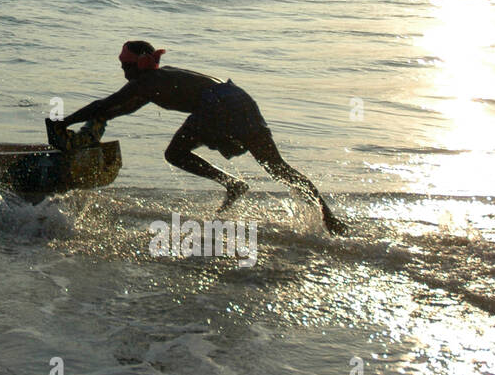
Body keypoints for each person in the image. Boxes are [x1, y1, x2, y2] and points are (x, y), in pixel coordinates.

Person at [51, 40, 346, 234]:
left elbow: (104, 104)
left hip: (217, 107)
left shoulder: (147, 81)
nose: (121, 68)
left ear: (137, 65)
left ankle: (233, 183)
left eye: (124, 64)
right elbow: (116, 110)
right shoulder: (154, 82)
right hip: (239, 98)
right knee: (277, 167)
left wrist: (63, 121)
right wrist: (89, 126)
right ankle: (329, 219)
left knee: (175, 154)